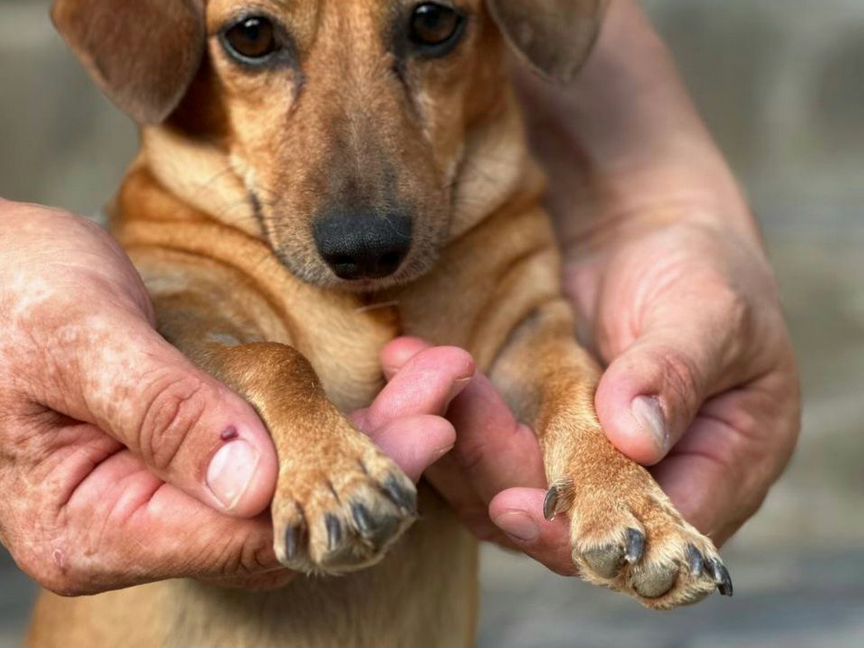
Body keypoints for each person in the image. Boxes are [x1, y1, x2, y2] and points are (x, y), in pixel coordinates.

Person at [0, 0, 799, 594]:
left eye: (428, 25)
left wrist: (654, 199)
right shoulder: (187, 237)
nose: (362, 221)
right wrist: (282, 393)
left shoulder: (494, 230)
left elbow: (532, 356)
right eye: (255, 38)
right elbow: (186, 332)